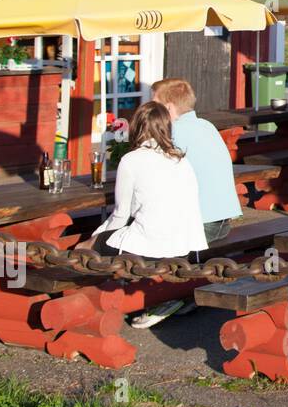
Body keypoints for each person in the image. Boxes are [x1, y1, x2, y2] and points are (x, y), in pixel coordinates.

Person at [86, 101, 206, 328]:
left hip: (151, 248)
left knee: (87, 246)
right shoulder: (182, 160)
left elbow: (121, 215)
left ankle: (80, 296)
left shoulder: (131, 160)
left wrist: (96, 235)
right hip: (183, 246)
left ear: (137, 127)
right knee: (110, 239)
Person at [152, 78, 240, 245]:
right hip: (222, 223)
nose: (151, 110)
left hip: (198, 226)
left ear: (168, 107)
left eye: (154, 105)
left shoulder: (172, 132)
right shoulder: (207, 126)